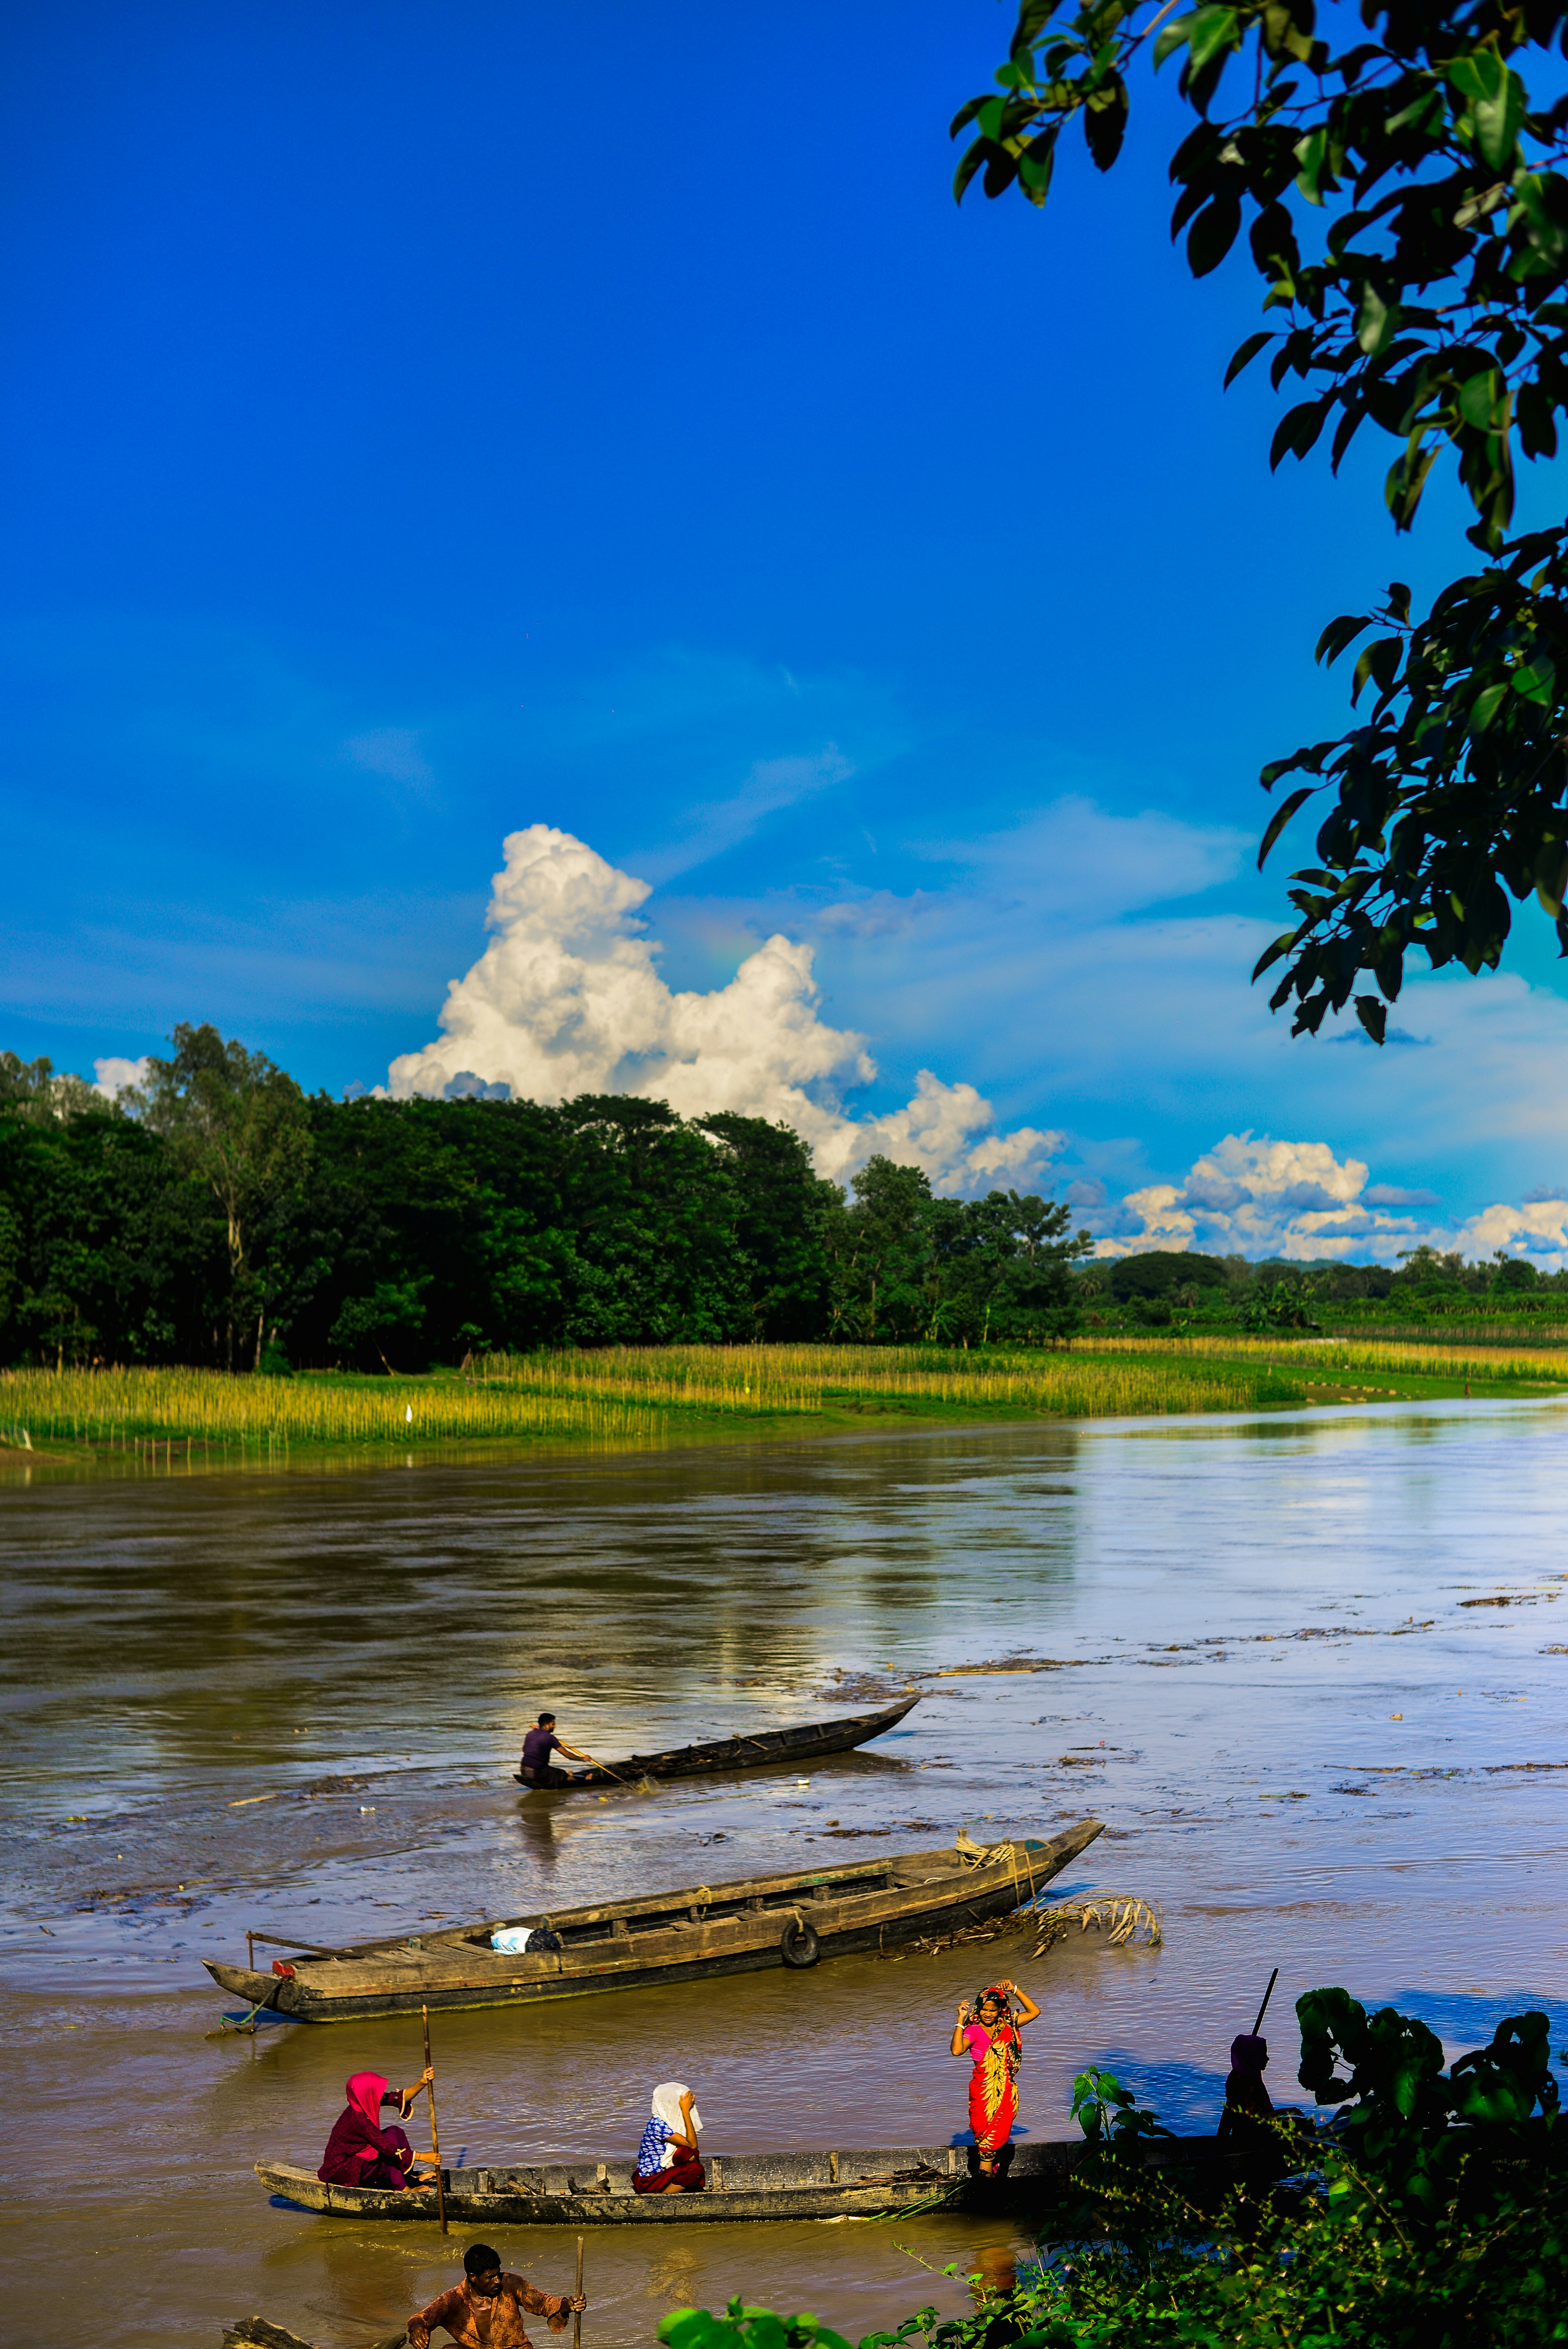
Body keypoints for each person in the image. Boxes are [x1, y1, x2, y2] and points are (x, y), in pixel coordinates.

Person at [407, 2243, 586, 2349]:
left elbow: (543, 2303)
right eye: (490, 2277)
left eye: (498, 2274)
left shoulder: (510, 2284)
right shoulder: (454, 2300)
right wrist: (417, 2328)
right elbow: (422, 2318)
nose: (497, 2281)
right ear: (473, 2277)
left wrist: (568, 2306)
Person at [951, 1979, 1041, 2175]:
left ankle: (992, 2172)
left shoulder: (1007, 2026)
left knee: (1001, 2129)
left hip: (1005, 2087)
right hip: (984, 2089)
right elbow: (957, 2050)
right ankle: (987, 2176)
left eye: (993, 2010)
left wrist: (1016, 1990)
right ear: (979, 2008)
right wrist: (960, 2020)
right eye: (984, 2009)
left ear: (1000, 2010)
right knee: (985, 2133)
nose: (988, 2014)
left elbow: (1035, 2012)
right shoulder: (973, 2030)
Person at [318, 2067, 435, 2189]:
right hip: (342, 2170)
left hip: (356, 2157)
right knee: (386, 2152)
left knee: (394, 2132)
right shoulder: (359, 2119)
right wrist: (422, 2157)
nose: (379, 2094)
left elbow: (398, 2098)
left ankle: (408, 2177)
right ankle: (403, 2188)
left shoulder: (363, 2101)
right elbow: (386, 2147)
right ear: (366, 2094)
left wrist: (423, 2082)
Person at [631, 2080, 705, 2194]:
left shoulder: (673, 2124)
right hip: (649, 2181)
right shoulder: (657, 2124)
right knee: (696, 2170)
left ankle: (679, 2188)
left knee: (687, 2153)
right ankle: (663, 2197)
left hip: (663, 2176)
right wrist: (685, 2111)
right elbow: (692, 2144)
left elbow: (690, 2149)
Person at [1216, 2032, 1274, 2143]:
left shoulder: (1236, 2077)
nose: (1267, 2059)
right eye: (1263, 2055)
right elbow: (1256, 2119)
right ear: (1253, 2056)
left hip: (1243, 2134)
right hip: (1251, 2138)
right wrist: (1286, 2111)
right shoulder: (1248, 2083)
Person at [518, 1712, 594, 1789]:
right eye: (553, 1724)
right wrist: (583, 1759)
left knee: (554, 1772)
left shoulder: (530, 1734)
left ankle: (570, 1777)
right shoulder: (550, 1738)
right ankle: (584, 1781)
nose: (555, 1726)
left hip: (524, 1770)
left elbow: (525, 1750)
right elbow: (567, 1755)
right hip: (537, 1772)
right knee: (563, 1775)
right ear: (547, 1726)